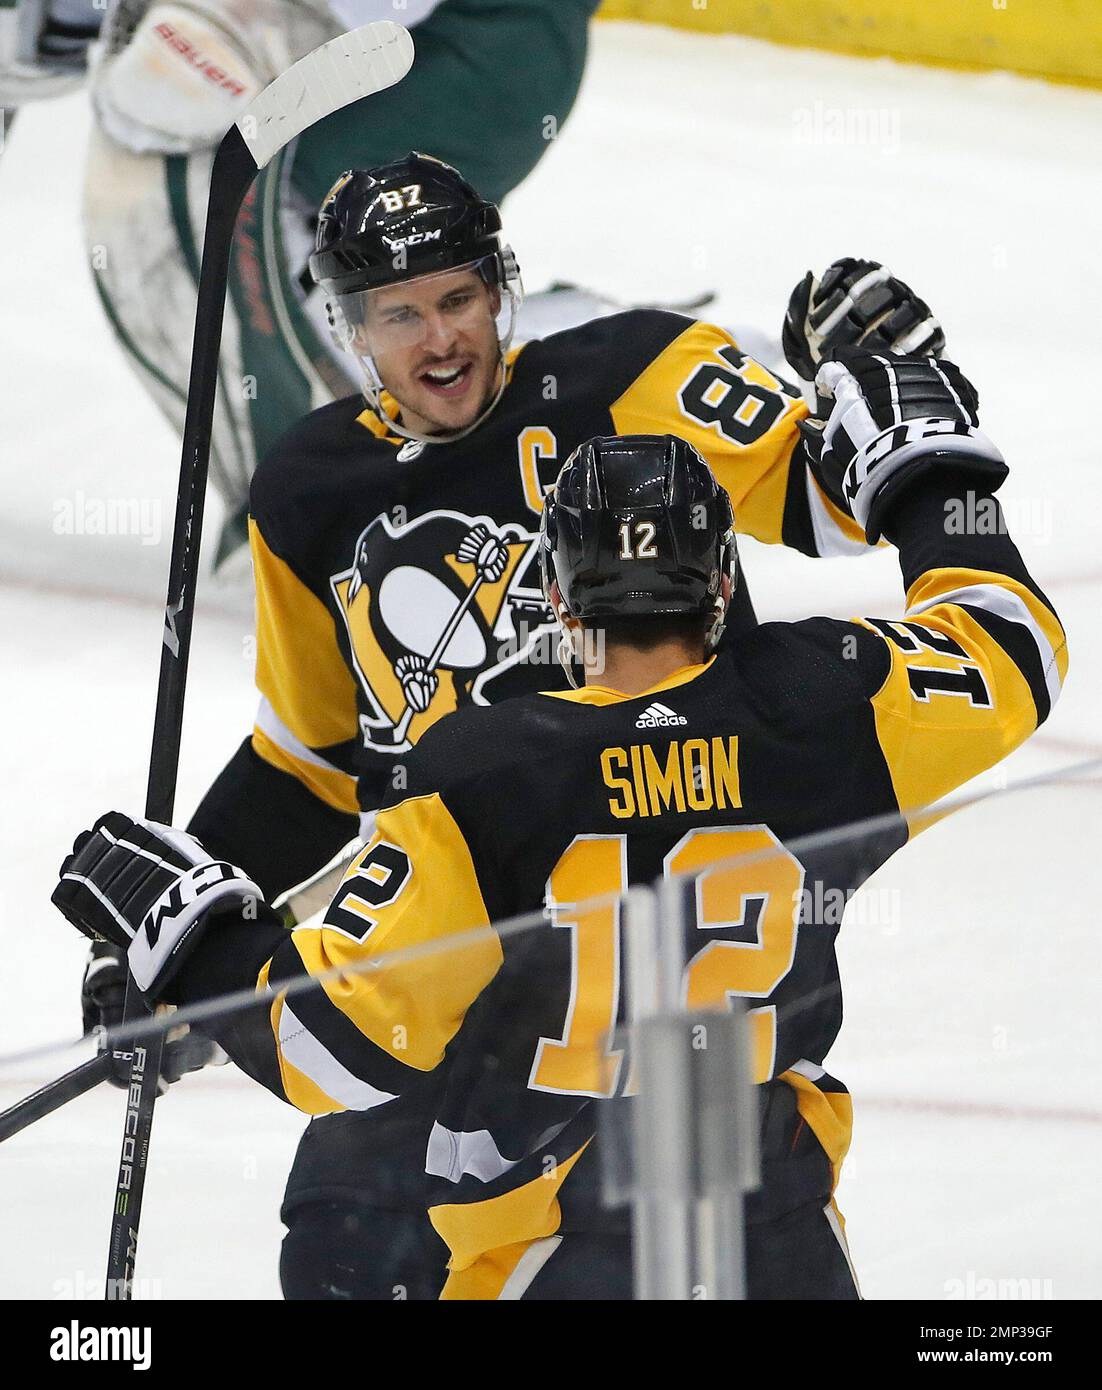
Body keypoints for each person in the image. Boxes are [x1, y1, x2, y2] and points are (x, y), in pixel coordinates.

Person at [53, 347, 1068, 1297]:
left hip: (557, 1256)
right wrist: (930, 482)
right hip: (775, 1242)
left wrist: (201, 945)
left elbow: (343, 1048)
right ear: (720, 582)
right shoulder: (827, 703)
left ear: (556, 595)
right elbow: (1013, 645)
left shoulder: (475, 772)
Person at [3, 0, 603, 557]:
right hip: (496, 38)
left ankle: (356, 502)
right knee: (180, 87)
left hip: (475, 41)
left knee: (178, 105)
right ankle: (562, 396)